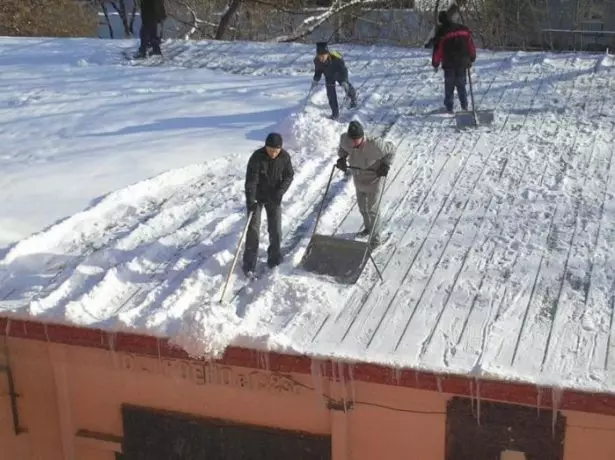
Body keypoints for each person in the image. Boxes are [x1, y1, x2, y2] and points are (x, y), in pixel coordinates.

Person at [335, 120, 395, 248]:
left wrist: (385, 165)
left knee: (372, 209)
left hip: (375, 177)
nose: (354, 142)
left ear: (363, 136)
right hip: (358, 176)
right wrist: (341, 158)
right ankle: (368, 228)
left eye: (357, 139)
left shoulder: (376, 144)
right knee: (362, 207)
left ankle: (375, 239)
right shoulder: (345, 140)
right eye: (352, 139)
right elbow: (343, 149)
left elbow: (391, 150)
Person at [243, 133, 294, 275]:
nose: (273, 153)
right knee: (253, 229)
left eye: (276, 150)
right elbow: (251, 181)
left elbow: (289, 175)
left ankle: (274, 258)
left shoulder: (284, 157)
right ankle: (249, 264)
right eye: (270, 149)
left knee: (276, 229)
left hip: (274, 197)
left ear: (281, 148)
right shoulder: (256, 157)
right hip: (257, 197)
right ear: (265, 147)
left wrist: (280, 192)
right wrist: (250, 200)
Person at [431, 11, 476, 114]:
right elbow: (470, 44)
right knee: (461, 85)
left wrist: (435, 63)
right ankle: (464, 106)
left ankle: (449, 108)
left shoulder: (441, 32)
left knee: (449, 86)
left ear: (440, 20)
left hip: (449, 63)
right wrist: (472, 57)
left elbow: (438, 50)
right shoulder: (463, 28)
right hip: (463, 62)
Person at [311, 42, 358, 120]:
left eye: (323, 56)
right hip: (328, 76)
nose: (321, 58)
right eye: (319, 56)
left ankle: (353, 98)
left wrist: (344, 80)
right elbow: (318, 71)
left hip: (338, 73)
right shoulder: (317, 61)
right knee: (331, 94)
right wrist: (316, 79)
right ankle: (335, 114)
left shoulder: (337, 59)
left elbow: (344, 70)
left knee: (346, 86)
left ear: (327, 54)